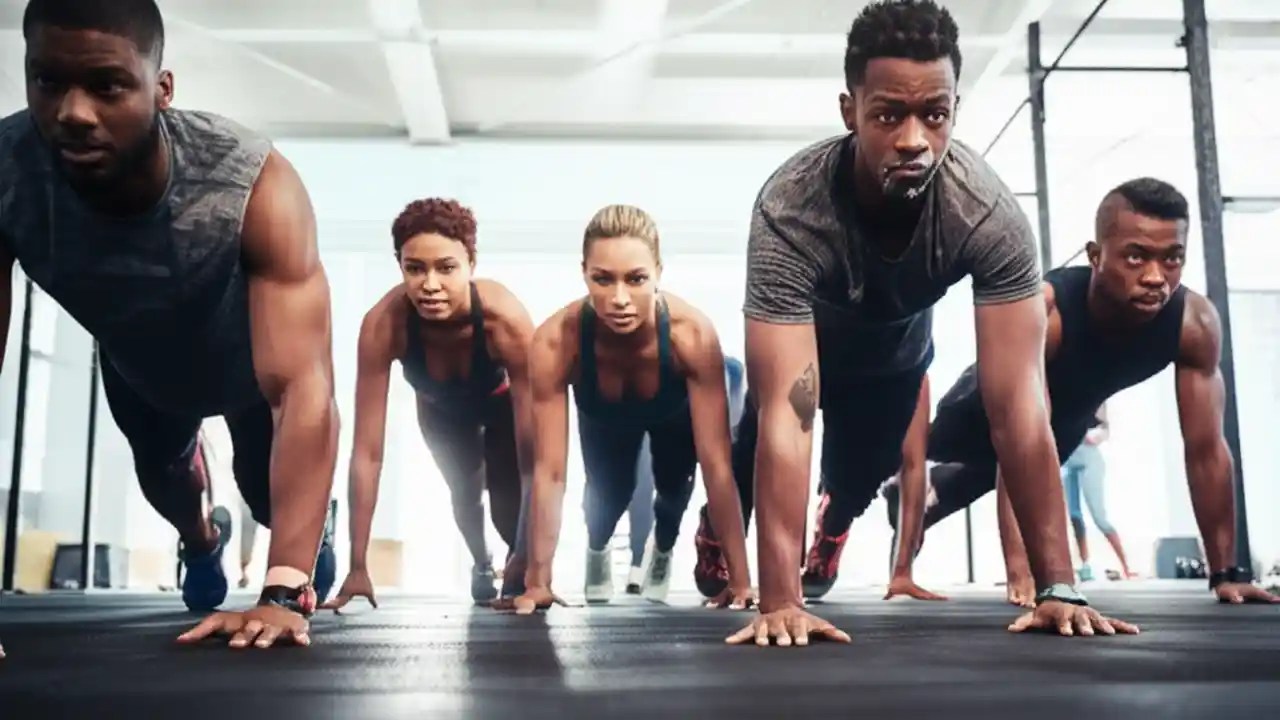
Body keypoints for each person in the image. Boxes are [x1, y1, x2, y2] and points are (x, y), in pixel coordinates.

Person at [727, 0, 1135, 648]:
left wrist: (1059, 584)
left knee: (859, 476)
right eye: (889, 114)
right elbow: (790, 411)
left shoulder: (985, 214)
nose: (914, 138)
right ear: (849, 112)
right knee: (755, 433)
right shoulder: (790, 209)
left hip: (894, 362)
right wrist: (780, 601)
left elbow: (1020, 409)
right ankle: (720, 534)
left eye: (934, 115)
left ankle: (832, 527)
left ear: (952, 113)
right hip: (812, 350)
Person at [1, 0, 339, 652]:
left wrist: (282, 590)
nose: (73, 112)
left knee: (271, 501)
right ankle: (202, 536)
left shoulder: (252, 181)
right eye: (47, 81)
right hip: (140, 370)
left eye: (106, 85)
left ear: (161, 90)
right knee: (168, 487)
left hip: (248, 369)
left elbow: (303, 386)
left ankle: (309, 529)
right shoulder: (8, 177)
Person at [884, 177, 1280, 607]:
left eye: (1172, 259)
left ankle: (932, 495)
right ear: (1095, 257)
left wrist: (1226, 573)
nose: (1154, 277)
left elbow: (1206, 450)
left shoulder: (1193, 324)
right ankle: (851, 501)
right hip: (979, 405)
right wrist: (1029, 577)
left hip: (1065, 420)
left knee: (1002, 466)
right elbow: (1020, 440)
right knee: (902, 455)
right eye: (1135, 256)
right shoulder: (1048, 312)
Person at [512, 204, 753, 612]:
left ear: (658, 271)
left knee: (675, 492)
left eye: (636, 279)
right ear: (583, 272)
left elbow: (717, 466)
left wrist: (742, 582)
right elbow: (550, 472)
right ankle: (597, 549)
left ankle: (662, 550)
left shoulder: (691, 333)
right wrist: (538, 581)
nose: (619, 298)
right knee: (609, 494)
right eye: (602, 280)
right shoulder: (556, 341)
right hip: (604, 417)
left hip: (672, 416)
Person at [324, 198, 535, 609]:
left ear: (471, 264)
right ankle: (481, 563)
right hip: (441, 410)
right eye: (415, 268)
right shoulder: (384, 325)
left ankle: (514, 560)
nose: (430, 284)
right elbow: (367, 454)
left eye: (446, 268)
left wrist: (530, 558)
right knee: (464, 491)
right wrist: (357, 564)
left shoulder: (503, 319)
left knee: (506, 498)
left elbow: (536, 458)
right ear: (400, 265)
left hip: (501, 405)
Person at [1059, 404, 1136, 582]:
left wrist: (1096, 435)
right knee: (1074, 515)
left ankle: (1126, 566)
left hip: (1089, 457)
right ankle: (1085, 565)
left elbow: (1104, 427)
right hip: (1068, 459)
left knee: (1099, 516)